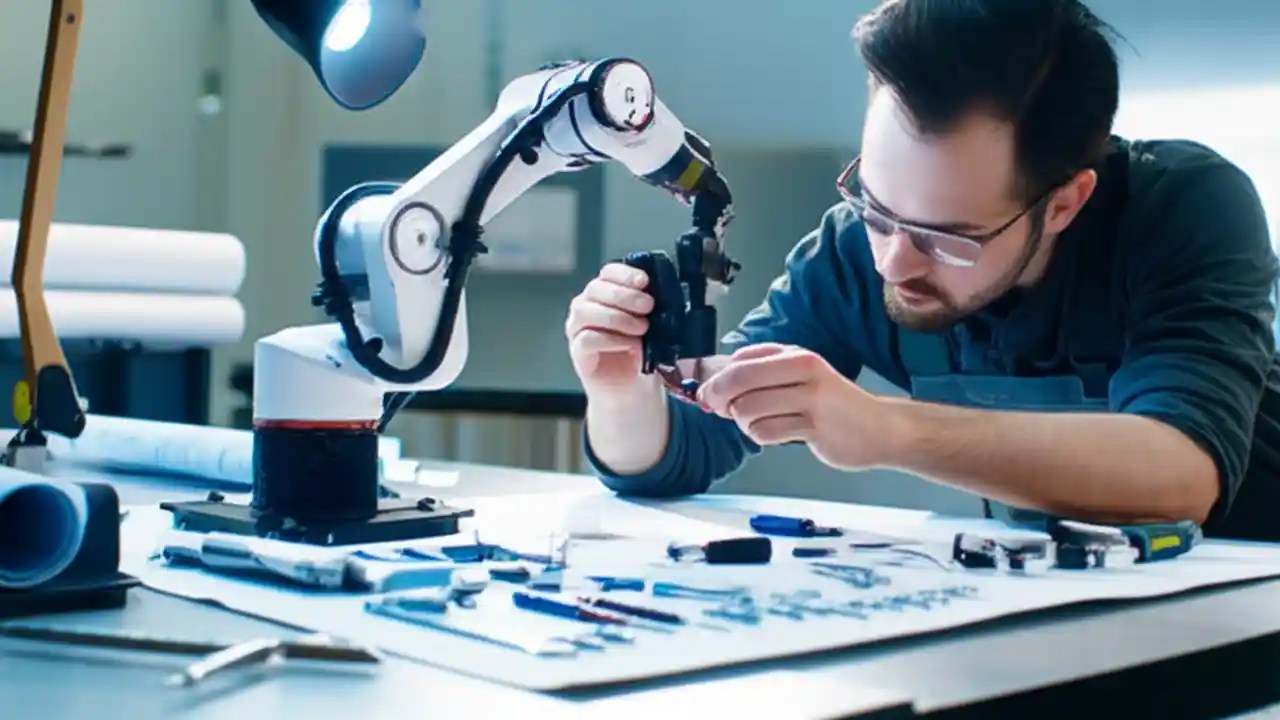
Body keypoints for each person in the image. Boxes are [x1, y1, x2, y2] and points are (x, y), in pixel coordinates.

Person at [563, 0, 1280, 541]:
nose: (894, 259)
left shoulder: (1183, 209)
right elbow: (682, 450)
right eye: (876, 204)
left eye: (949, 238)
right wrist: (621, 388)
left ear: (1064, 204)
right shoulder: (854, 252)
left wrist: (886, 430)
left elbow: (1182, 474)